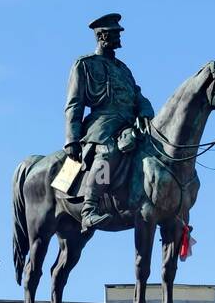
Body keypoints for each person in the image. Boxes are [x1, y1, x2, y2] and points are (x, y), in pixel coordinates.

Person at [64, 13, 154, 232]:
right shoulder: (85, 64)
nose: (119, 37)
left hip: (129, 124)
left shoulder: (124, 69)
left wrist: (145, 110)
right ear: (102, 36)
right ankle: (89, 209)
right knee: (108, 152)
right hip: (102, 123)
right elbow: (74, 103)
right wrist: (72, 139)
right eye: (115, 33)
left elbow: (137, 95)